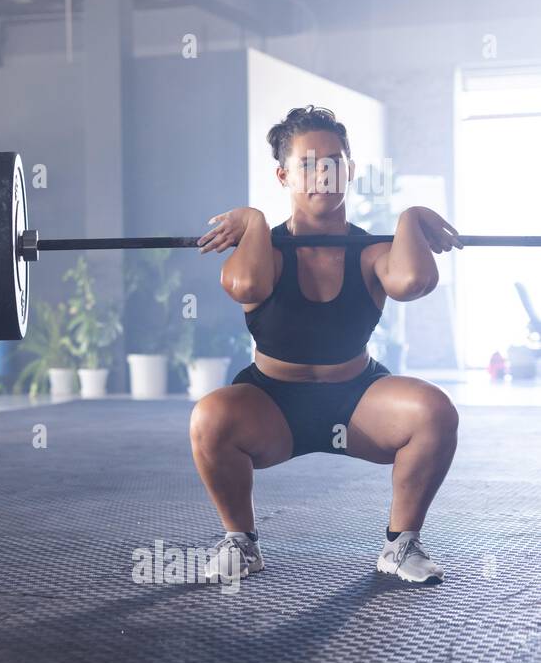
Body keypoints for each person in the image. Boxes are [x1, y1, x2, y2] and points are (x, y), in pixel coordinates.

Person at [192, 106, 462, 585]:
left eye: (335, 162)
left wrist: (412, 217)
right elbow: (244, 287)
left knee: (434, 411)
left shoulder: (373, 250)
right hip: (272, 406)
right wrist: (254, 221)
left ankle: (400, 545)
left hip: (357, 401)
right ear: (283, 175)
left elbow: (413, 281)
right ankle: (241, 541)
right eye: (309, 164)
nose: (324, 174)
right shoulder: (266, 249)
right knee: (210, 416)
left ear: (351, 171)